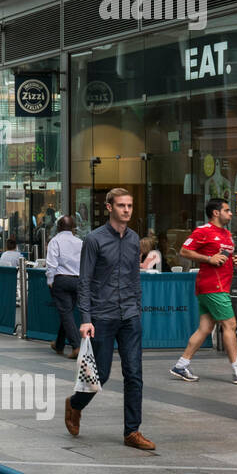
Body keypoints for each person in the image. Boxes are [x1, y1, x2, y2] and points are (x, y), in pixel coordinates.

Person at [65, 188, 154, 450]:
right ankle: (75, 404)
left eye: (130, 205)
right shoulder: (94, 239)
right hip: (102, 315)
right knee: (100, 375)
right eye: (121, 205)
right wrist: (86, 318)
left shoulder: (134, 239)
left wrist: (137, 307)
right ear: (109, 208)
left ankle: (132, 432)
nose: (127, 210)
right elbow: (85, 281)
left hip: (129, 315)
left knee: (134, 374)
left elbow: (133, 277)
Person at [171, 198, 237, 384]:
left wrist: (234, 261)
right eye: (227, 210)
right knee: (230, 325)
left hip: (219, 286)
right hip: (213, 286)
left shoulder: (227, 233)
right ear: (216, 212)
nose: (231, 213)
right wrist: (208, 259)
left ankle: (181, 365)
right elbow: (184, 251)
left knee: (205, 328)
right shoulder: (203, 231)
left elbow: (226, 256)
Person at [46, 215, 83, 359]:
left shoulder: (55, 241)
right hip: (77, 280)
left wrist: (50, 280)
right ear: (73, 227)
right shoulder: (80, 242)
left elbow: (51, 263)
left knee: (66, 313)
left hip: (61, 280)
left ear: (59, 227)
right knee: (66, 312)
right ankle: (59, 344)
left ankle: (76, 346)